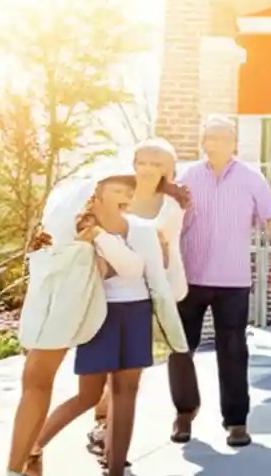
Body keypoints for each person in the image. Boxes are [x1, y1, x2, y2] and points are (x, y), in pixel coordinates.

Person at [6, 162, 180, 476]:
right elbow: (59, 271)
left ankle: (108, 465)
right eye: (117, 188)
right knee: (66, 389)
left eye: (129, 190)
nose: (126, 193)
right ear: (95, 196)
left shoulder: (131, 229)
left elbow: (136, 268)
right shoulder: (73, 229)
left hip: (122, 314)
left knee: (114, 393)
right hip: (83, 310)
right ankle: (27, 456)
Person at [169, 115, 271, 448]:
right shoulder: (188, 176)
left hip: (233, 281)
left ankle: (236, 422)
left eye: (223, 137)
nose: (216, 143)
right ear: (203, 141)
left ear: (233, 142)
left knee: (233, 351)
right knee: (181, 349)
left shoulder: (252, 178)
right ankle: (184, 412)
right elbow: (170, 222)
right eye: (210, 137)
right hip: (189, 279)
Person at [85, 138, 192, 458]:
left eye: (155, 164)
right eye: (141, 161)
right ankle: (104, 425)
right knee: (104, 370)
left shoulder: (172, 204)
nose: (146, 169)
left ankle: (112, 442)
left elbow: (154, 238)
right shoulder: (120, 193)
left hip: (145, 296)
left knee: (127, 376)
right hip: (106, 290)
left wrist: (107, 231)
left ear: (168, 170)